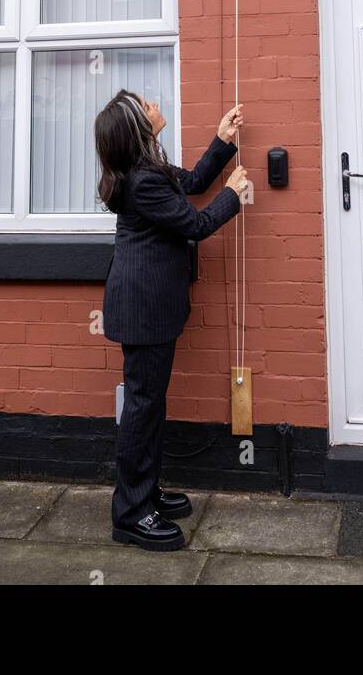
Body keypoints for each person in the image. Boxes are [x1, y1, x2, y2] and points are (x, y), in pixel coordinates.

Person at [95, 90, 248, 552]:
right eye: (146, 107)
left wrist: (222, 141)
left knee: (150, 404)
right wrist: (233, 196)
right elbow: (196, 224)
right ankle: (130, 515)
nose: (155, 106)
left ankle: (146, 492)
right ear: (139, 128)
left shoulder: (146, 171)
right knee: (143, 409)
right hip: (143, 309)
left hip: (147, 307)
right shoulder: (144, 181)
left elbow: (195, 181)